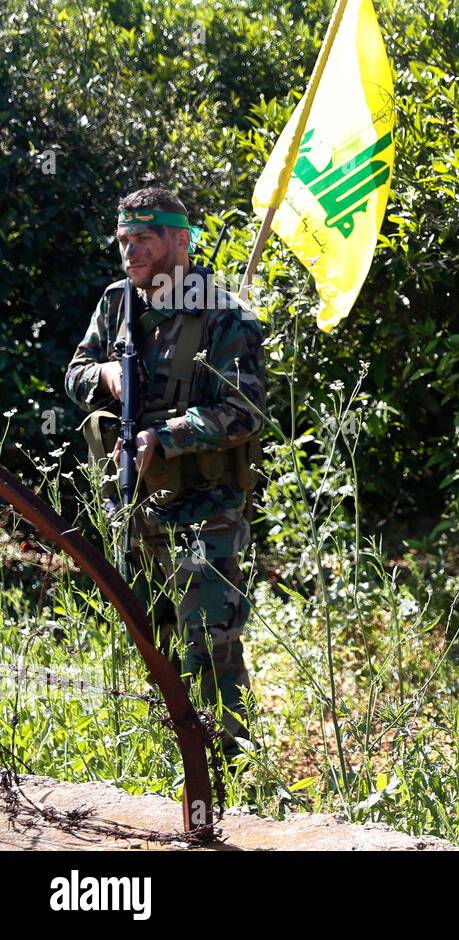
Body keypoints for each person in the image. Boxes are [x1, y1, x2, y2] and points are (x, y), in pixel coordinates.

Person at [65, 186, 266, 762]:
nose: (131, 252)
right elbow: (75, 373)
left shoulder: (224, 313)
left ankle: (232, 766)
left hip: (207, 507)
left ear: (180, 241)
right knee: (151, 640)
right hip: (134, 506)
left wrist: (165, 436)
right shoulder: (116, 303)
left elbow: (243, 411)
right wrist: (103, 374)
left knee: (210, 641)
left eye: (145, 239)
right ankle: (179, 757)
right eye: (124, 240)